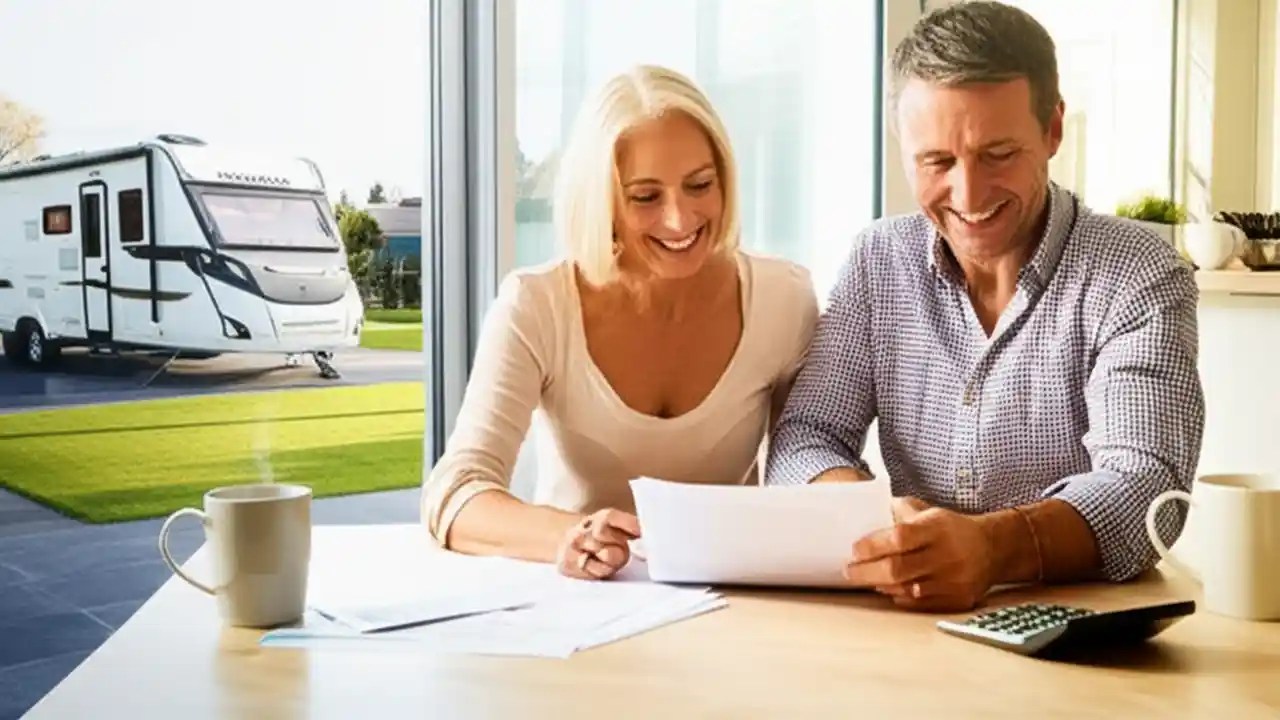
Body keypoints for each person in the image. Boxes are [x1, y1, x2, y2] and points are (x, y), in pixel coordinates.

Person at [765, 1, 1204, 612]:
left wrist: (991, 548)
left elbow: (1146, 489)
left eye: (998, 154)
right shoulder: (877, 261)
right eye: (936, 161)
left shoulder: (1135, 271)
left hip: (1082, 628)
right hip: (909, 621)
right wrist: (879, 521)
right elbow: (804, 439)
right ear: (902, 147)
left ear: (1052, 129)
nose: (968, 196)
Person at [421, 64, 818, 580]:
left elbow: (801, 473)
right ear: (601, 201)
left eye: (699, 185)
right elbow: (455, 493)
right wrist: (566, 537)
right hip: (578, 613)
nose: (679, 220)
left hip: (728, 611)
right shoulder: (536, 306)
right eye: (645, 197)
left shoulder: (783, 299)